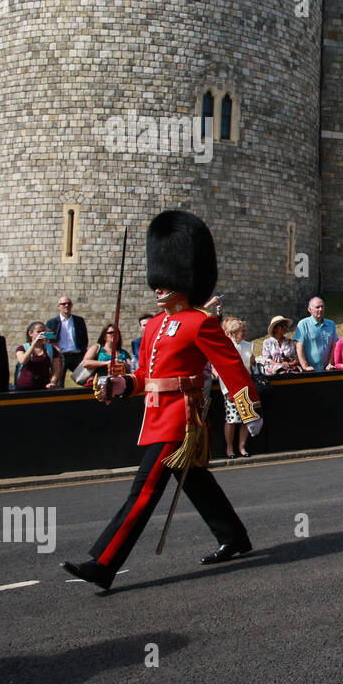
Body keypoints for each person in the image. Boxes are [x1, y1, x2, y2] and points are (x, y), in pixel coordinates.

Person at [61, 210, 263, 592]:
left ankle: (103, 563)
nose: (158, 288)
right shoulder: (154, 325)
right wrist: (122, 386)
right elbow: (147, 378)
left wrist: (248, 408)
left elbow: (231, 366)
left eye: (165, 281)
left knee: (144, 490)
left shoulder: (199, 322)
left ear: (182, 280)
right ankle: (234, 536)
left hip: (180, 419)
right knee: (196, 481)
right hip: (154, 415)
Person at [217, 317, 254, 458]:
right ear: (233, 332)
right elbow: (222, 370)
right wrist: (227, 390)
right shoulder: (225, 347)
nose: (244, 333)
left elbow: (250, 368)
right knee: (231, 420)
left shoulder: (248, 345)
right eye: (241, 331)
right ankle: (229, 447)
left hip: (246, 386)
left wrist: (253, 362)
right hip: (231, 388)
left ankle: (242, 447)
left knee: (246, 419)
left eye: (244, 330)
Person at [14, 321, 64, 390]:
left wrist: (52, 382)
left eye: (43, 331)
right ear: (30, 333)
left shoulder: (51, 349)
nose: (41, 334)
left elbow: (57, 369)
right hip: (24, 387)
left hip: (44, 386)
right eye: (38, 332)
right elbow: (23, 361)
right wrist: (34, 344)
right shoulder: (22, 348)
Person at [46, 296, 88, 375]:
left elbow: (84, 338)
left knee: (85, 379)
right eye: (63, 304)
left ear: (71, 305)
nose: (66, 305)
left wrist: (83, 351)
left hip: (77, 356)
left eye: (68, 303)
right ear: (59, 306)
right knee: (59, 383)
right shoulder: (51, 322)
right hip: (60, 357)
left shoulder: (79, 321)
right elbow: (48, 341)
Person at [294, 296, 336, 372]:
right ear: (309, 309)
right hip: (310, 371)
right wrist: (305, 366)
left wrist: (330, 363)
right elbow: (299, 346)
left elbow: (334, 345)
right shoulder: (303, 324)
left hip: (327, 370)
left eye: (322, 307)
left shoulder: (331, 324)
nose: (321, 309)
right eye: (317, 307)